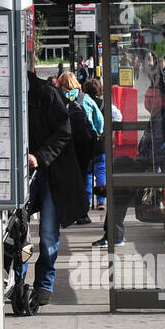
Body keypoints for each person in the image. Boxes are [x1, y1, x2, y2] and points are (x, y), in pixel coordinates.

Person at [97, 84, 165, 249]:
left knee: (119, 180)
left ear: (162, 100)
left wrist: (135, 166)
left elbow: (157, 155)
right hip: (160, 166)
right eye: (146, 97)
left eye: (152, 98)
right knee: (120, 169)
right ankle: (113, 233)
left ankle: (114, 235)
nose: (147, 101)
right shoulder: (158, 117)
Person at [26, 65, 85, 305]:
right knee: (16, 234)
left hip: (50, 173)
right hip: (20, 176)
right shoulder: (3, 94)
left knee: (48, 235)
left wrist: (39, 157)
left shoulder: (47, 93)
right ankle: (18, 283)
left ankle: (43, 284)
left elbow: (64, 131)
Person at [57, 71, 101, 225]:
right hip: (84, 146)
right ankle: (83, 214)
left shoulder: (58, 99)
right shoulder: (85, 98)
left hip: (65, 145)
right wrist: (95, 136)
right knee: (83, 176)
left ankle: (68, 212)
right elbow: (99, 122)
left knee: (67, 177)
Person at [82, 77, 108, 209]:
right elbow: (116, 116)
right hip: (101, 143)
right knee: (101, 170)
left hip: (87, 143)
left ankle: (87, 201)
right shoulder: (103, 104)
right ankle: (101, 201)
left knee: (87, 173)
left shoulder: (84, 102)